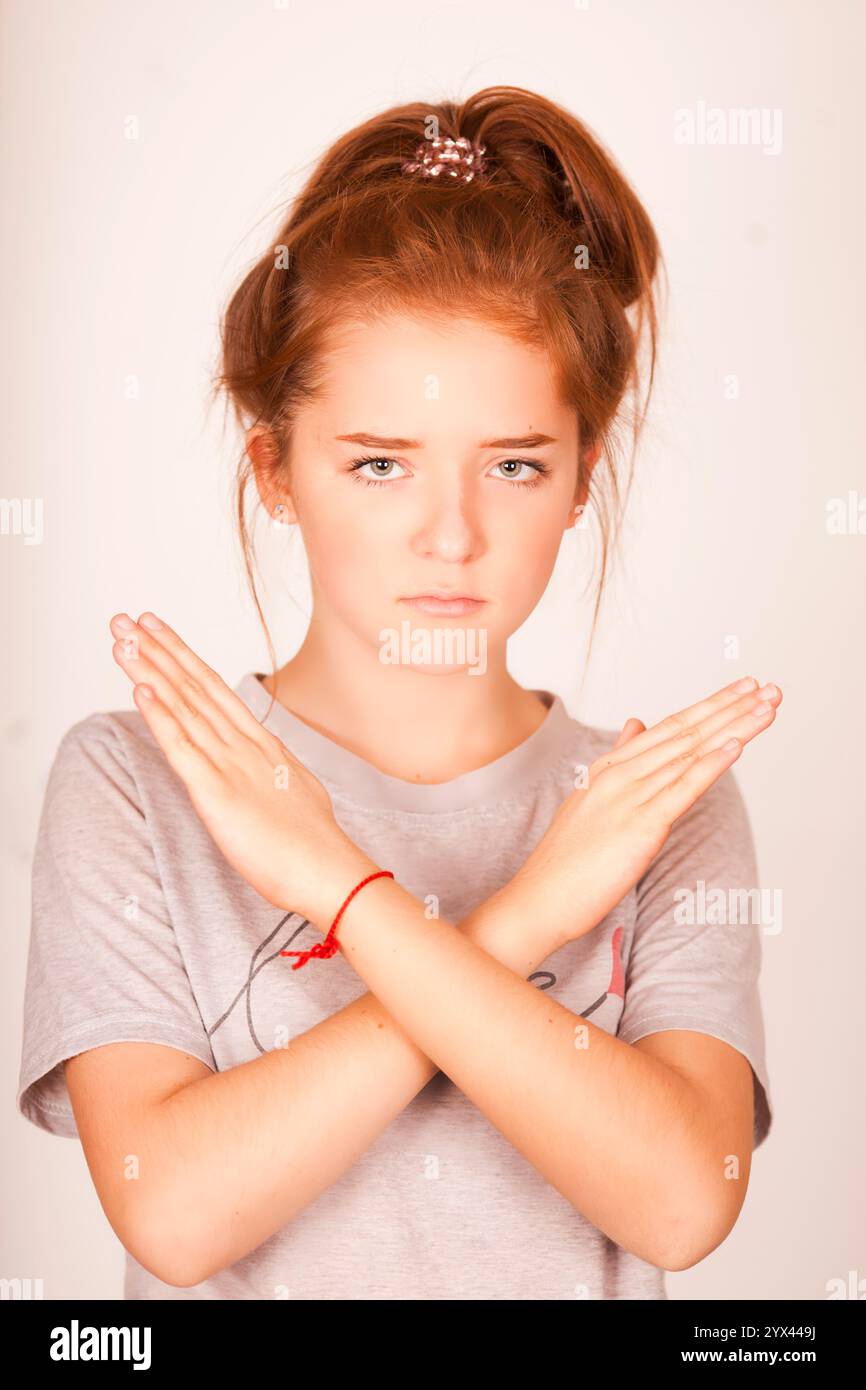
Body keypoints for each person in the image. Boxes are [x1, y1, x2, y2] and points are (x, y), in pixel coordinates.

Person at [17, 86, 780, 1301]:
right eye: (378, 463)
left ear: (582, 472)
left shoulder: (656, 806)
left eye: (515, 465)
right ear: (272, 465)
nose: (450, 537)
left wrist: (341, 891)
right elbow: (170, 1208)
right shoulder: (137, 781)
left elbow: (684, 1201)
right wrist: (520, 922)